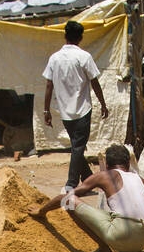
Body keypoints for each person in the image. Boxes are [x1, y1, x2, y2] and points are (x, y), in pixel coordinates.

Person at [29, 143, 144, 252]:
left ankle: (104, 250)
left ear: (107, 165)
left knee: (70, 201)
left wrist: (41, 211)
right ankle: (131, 249)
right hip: (143, 239)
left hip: (121, 235)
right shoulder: (141, 180)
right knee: (110, 215)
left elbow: (66, 197)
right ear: (128, 163)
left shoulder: (106, 175)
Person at [42, 19, 109, 191]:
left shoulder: (54, 58)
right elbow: (94, 82)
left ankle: (87, 178)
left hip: (65, 113)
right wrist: (103, 103)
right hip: (82, 111)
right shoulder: (83, 56)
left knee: (77, 146)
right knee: (78, 147)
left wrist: (46, 110)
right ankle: (71, 184)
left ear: (65, 36)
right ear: (80, 38)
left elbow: (49, 85)